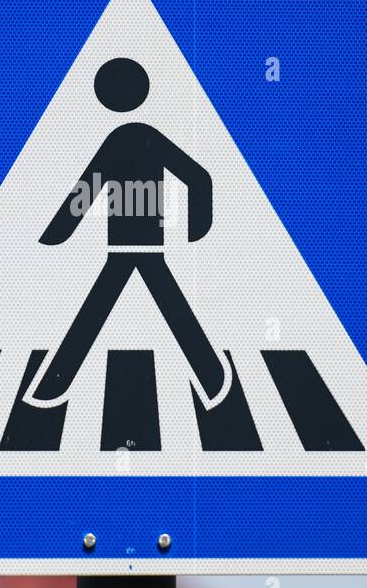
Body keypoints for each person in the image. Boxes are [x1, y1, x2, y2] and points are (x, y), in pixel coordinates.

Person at [28, 57, 229, 408]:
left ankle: (52, 386)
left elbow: (86, 191)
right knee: (130, 306)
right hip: (139, 242)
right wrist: (195, 229)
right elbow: (198, 178)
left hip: (133, 242)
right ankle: (213, 379)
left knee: (104, 309)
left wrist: (58, 232)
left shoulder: (127, 138)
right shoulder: (138, 137)